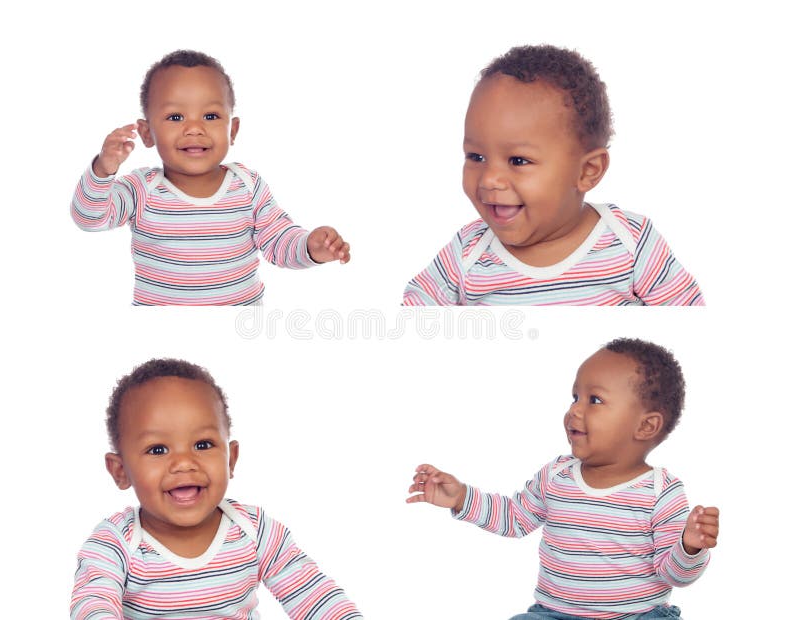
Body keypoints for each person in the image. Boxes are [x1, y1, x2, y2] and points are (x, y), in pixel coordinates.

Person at [407, 338, 719, 619]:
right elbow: (515, 518)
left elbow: (674, 574)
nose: (574, 411)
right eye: (575, 397)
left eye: (594, 400)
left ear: (646, 426)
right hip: (553, 614)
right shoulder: (556, 475)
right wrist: (462, 497)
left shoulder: (660, 492)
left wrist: (689, 548)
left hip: (636, 616)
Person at [403, 45, 703, 305]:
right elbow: (409, 324)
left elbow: (691, 325)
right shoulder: (466, 253)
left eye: (518, 160)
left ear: (588, 171)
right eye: (476, 157)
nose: (489, 179)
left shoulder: (632, 244)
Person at [71, 358, 362, 619]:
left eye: (203, 445)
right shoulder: (116, 544)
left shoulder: (254, 531)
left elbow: (314, 595)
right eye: (158, 449)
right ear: (121, 471)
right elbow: (93, 604)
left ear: (231, 459)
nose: (184, 463)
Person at [71, 50, 350, 305]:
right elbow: (89, 217)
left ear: (232, 129)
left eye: (211, 115)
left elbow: (278, 241)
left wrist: (310, 247)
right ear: (146, 133)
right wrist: (103, 170)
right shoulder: (140, 190)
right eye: (176, 117)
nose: (194, 128)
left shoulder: (248, 186)